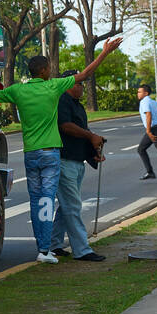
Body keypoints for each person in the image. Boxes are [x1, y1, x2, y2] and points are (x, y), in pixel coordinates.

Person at [0, 37, 123, 264]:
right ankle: (45, 250)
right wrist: (105, 51)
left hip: (30, 154)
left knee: (37, 202)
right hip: (50, 154)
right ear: (44, 71)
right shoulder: (53, 86)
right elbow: (84, 74)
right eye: (49, 68)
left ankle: (45, 247)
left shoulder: (17, 90)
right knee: (47, 201)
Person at [50, 75, 106, 261]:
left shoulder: (76, 104)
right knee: (72, 205)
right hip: (65, 160)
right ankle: (82, 250)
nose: (82, 87)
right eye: (79, 83)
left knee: (66, 206)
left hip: (76, 161)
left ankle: (54, 244)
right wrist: (91, 136)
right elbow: (66, 126)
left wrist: (94, 151)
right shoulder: (62, 101)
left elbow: (83, 131)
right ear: (68, 84)